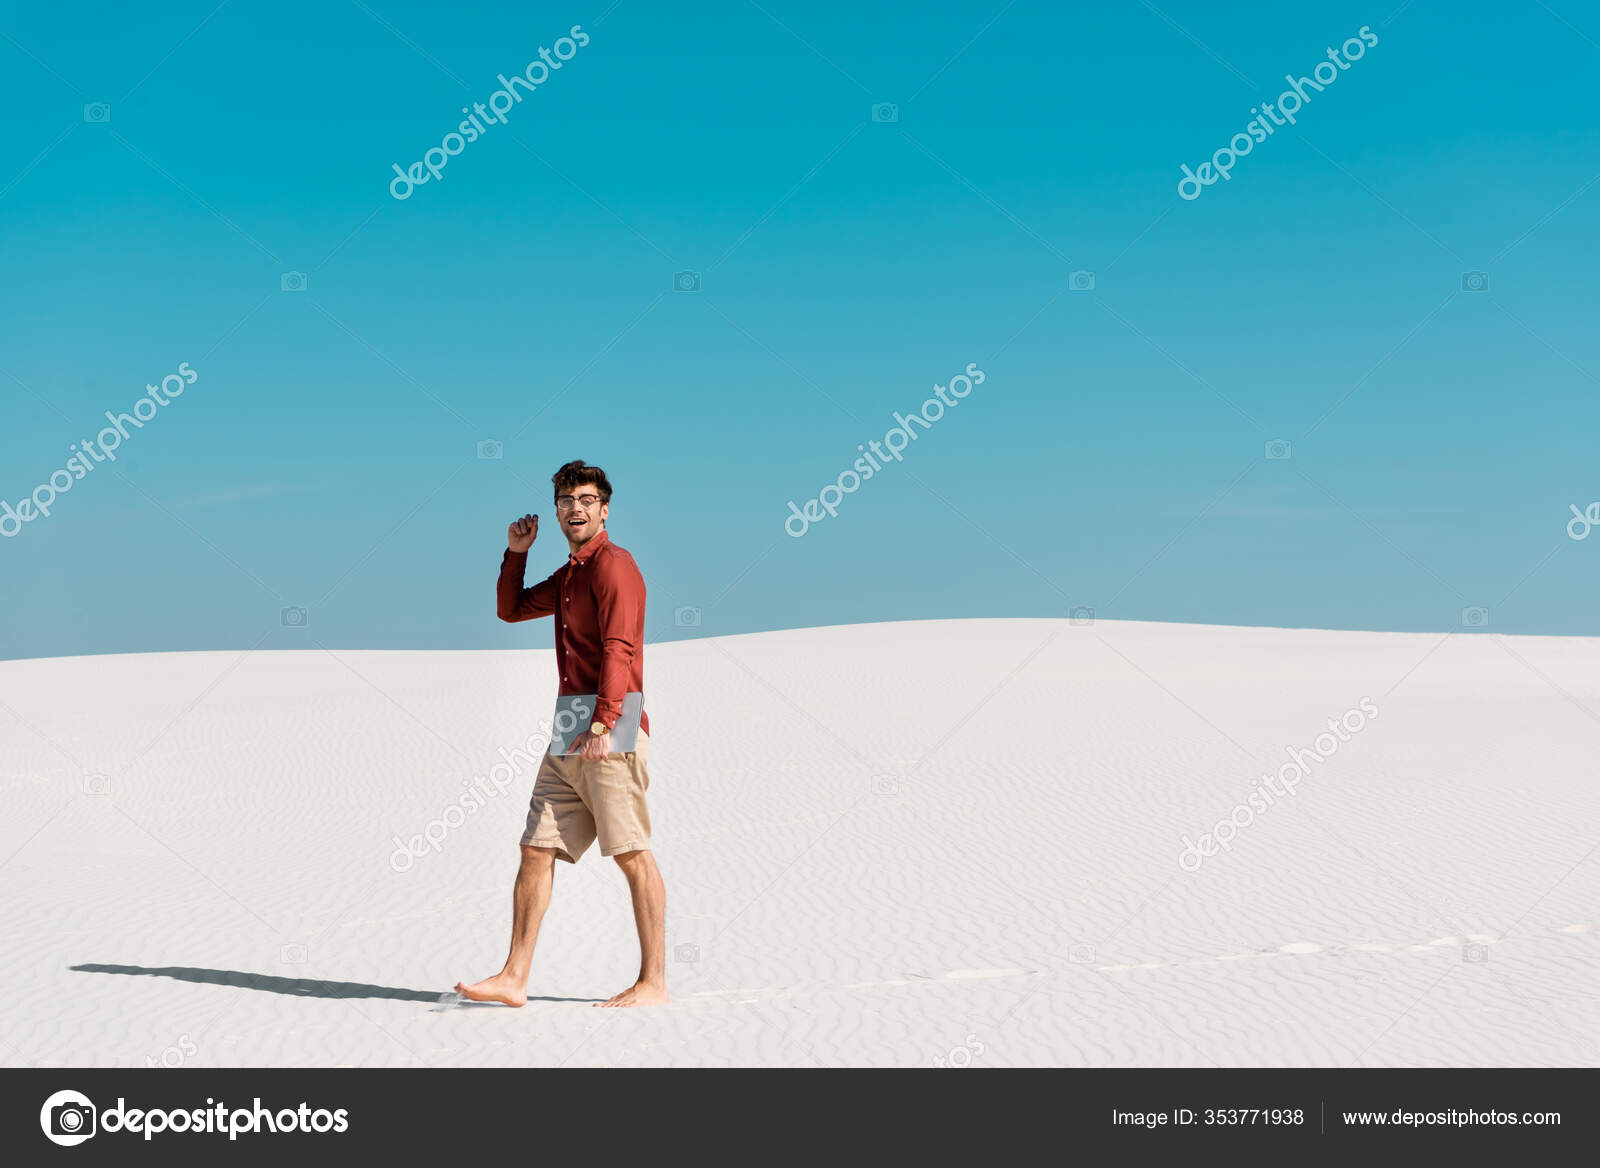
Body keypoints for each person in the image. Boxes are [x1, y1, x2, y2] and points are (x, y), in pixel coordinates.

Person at [456, 459, 667, 1008]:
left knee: (631, 853)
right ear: (556, 512)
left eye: (587, 500)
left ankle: (654, 982)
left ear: (605, 509)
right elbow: (511, 610)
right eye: (567, 501)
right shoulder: (571, 575)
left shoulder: (614, 567)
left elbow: (620, 647)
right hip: (569, 725)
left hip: (611, 726)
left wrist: (604, 722)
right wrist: (516, 554)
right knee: (536, 848)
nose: (576, 508)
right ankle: (514, 977)